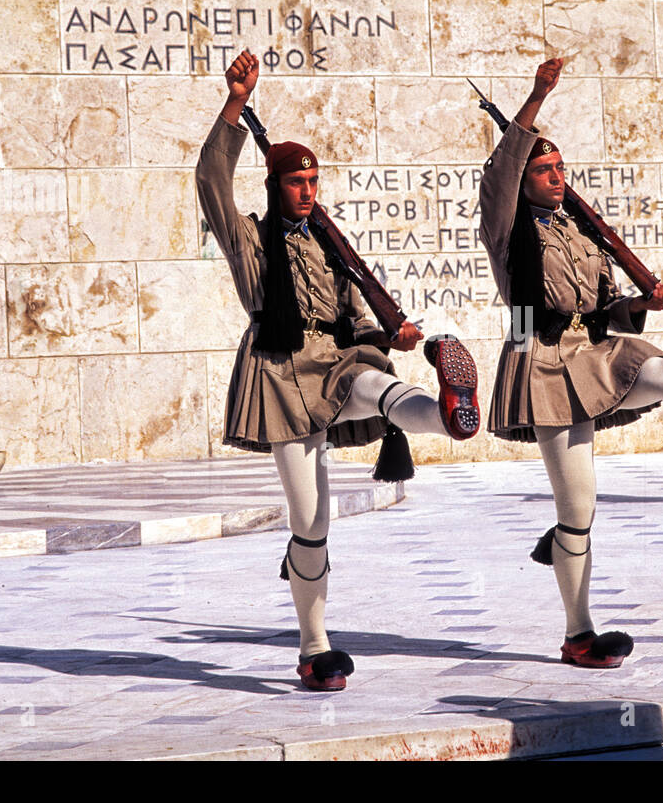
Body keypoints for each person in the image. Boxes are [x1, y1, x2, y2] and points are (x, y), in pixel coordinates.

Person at [196, 49, 481, 692]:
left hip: (335, 361)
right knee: (311, 521)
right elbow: (211, 181)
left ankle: (446, 410)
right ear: (275, 186)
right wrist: (236, 104)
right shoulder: (248, 238)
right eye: (297, 182)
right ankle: (313, 645)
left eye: (314, 182)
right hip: (280, 375)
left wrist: (395, 333)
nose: (307, 191)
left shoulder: (330, 245)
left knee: (377, 383)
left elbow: (355, 319)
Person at [479, 58, 663, 669]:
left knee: (648, 362)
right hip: (541, 361)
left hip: (593, 352)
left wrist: (640, 302)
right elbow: (499, 173)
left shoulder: (579, 232)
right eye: (543, 170)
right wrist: (537, 97)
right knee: (578, 510)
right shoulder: (506, 226)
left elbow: (605, 307)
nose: (556, 178)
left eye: (560, 168)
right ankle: (578, 632)